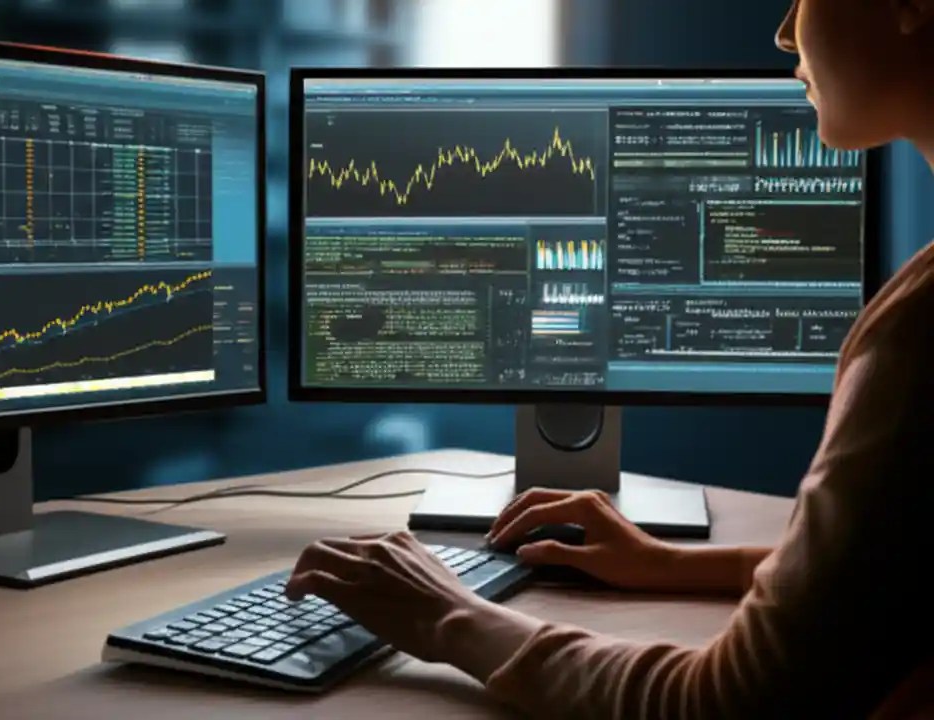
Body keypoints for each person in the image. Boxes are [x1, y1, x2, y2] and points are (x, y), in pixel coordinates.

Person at [284, 0, 934, 717]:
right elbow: (873, 587)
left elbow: (726, 705)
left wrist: (450, 617)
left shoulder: (918, 336)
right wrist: (667, 563)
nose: (784, 31)